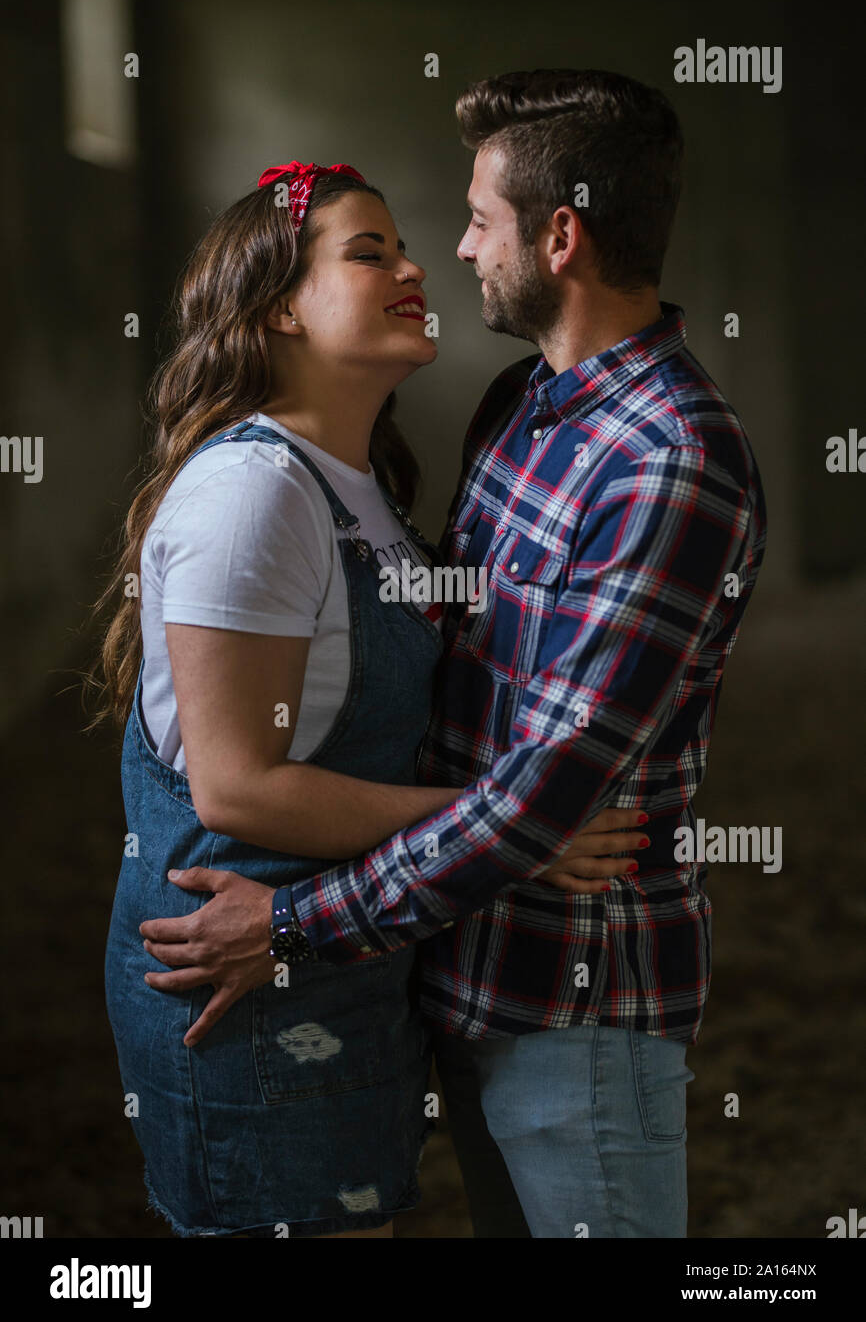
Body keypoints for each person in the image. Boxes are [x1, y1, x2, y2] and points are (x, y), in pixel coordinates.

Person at [142, 71, 768, 1239]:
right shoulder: (514, 405)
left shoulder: (668, 462)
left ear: (560, 235)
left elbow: (540, 803)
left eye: (478, 220)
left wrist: (286, 928)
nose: (460, 249)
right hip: (450, 970)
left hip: (573, 1003)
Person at [97, 157, 646, 1240]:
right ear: (277, 308)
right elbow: (239, 788)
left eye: (402, 246)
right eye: (368, 253)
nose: (413, 266)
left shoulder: (356, 483)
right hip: (241, 985)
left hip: (335, 961)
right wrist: (515, 827)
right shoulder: (252, 492)